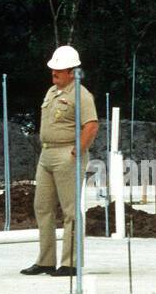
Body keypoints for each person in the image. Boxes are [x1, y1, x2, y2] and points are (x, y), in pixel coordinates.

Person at [22, 46, 99, 277]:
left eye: (58, 71)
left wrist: (78, 151)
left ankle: (71, 262)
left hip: (67, 154)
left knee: (70, 211)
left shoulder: (81, 95)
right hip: (47, 154)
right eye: (52, 70)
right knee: (42, 207)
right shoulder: (51, 92)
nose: (53, 74)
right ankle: (45, 260)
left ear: (72, 72)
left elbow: (91, 125)